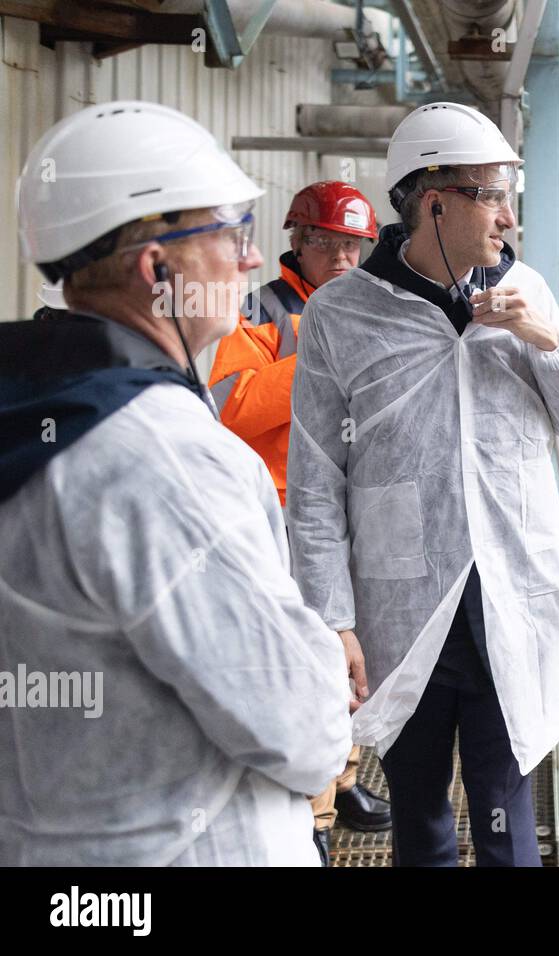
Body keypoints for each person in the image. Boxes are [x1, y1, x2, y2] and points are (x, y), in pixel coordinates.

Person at [0, 100, 353, 866]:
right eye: (230, 234)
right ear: (157, 270)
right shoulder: (159, 457)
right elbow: (306, 728)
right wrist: (322, 654)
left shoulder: (34, 408)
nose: (252, 260)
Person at [287, 102, 559, 866]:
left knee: (502, 812)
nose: (506, 215)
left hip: (511, 598)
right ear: (434, 200)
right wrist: (332, 619)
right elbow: (315, 480)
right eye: (491, 194)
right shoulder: (341, 313)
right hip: (404, 605)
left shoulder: (526, 289)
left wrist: (546, 340)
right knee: (421, 815)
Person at [207, 181, 392, 864]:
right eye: (329, 243)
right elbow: (233, 405)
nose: (343, 258)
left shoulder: (369, 314)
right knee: (310, 659)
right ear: (298, 242)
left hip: (353, 510)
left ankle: (341, 780)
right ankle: (311, 815)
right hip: (284, 516)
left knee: (352, 655)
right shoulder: (265, 313)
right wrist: (316, 353)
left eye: (354, 245)